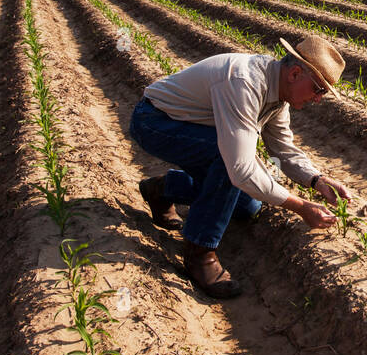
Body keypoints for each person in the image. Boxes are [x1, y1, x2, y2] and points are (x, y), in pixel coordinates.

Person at [128, 35, 351, 298]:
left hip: (193, 129)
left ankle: (164, 189)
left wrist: (317, 180)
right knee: (228, 160)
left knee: (249, 205)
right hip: (154, 121)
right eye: (319, 89)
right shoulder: (245, 83)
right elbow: (241, 168)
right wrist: (301, 207)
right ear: (295, 73)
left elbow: (283, 149)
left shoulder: (279, 95)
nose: (318, 99)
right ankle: (199, 252)